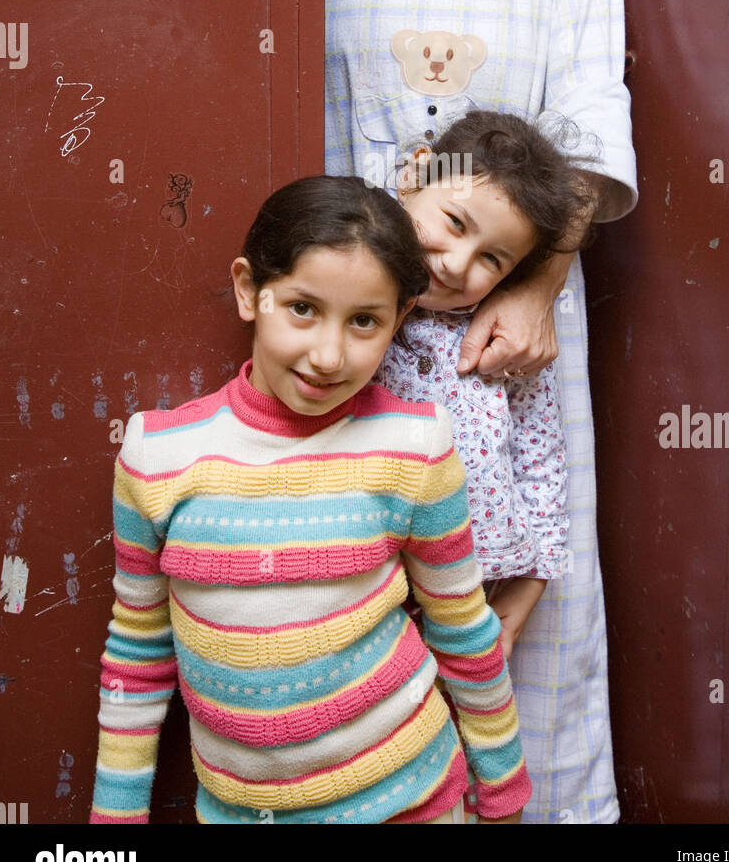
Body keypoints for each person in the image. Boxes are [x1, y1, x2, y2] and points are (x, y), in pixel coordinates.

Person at [325, 0, 638, 823]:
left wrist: (534, 289)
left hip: (502, 340)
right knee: (355, 610)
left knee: (525, 616)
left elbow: (590, 124)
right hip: (350, 332)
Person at [89, 176, 531, 825]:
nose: (328, 355)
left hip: (412, 799)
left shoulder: (414, 448)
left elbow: (463, 629)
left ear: (399, 319)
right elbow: (137, 653)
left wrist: (503, 789)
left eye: (363, 322)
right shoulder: (159, 458)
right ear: (249, 290)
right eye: (302, 308)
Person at [377, 110, 594, 661]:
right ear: (415, 174)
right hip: (370, 584)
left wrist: (531, 583)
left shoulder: (499, 346)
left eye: (492, 258)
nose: (455, 264)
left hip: (477, 590)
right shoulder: (359, 312)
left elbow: (541, 464)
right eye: (454, 222)